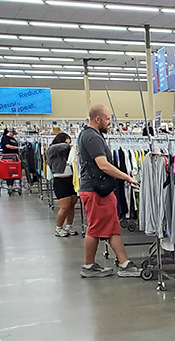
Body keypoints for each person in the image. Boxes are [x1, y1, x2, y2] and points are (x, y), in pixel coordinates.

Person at [77, 104, 141, 278]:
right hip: (96, 190)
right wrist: (127, 177)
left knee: (112, 227)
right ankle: (89, 266)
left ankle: (124, 263)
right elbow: (103, 165)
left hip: (99, 190)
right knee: (95, 228)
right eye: (108, 118)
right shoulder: (92, 137)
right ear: (98, 119)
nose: (110, 122)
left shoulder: (88, 135)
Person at [46, 132, 79, 238]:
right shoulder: (51, 150)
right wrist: (69, 145)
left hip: (71, 180)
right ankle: (58, 228)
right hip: (60, 180)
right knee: (65, 206)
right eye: (66, 141)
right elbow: (59, 147)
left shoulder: (67, 152)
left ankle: (69, 226)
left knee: (72, 204)